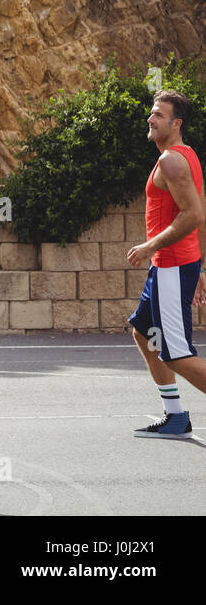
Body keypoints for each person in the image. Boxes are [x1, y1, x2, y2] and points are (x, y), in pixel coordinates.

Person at [127, 90, 206, 439]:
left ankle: (176, 417)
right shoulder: (181, 157)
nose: (150, 118)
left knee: (176, 354)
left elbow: (193, 215)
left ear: (176, 124)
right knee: (144, 333)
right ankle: (175, 416)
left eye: (158, 115)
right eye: (151, 113)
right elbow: (198, 215)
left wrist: (149, 246)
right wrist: (201, 268)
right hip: (171, 266)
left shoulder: (172, 161)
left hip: (171, 265)